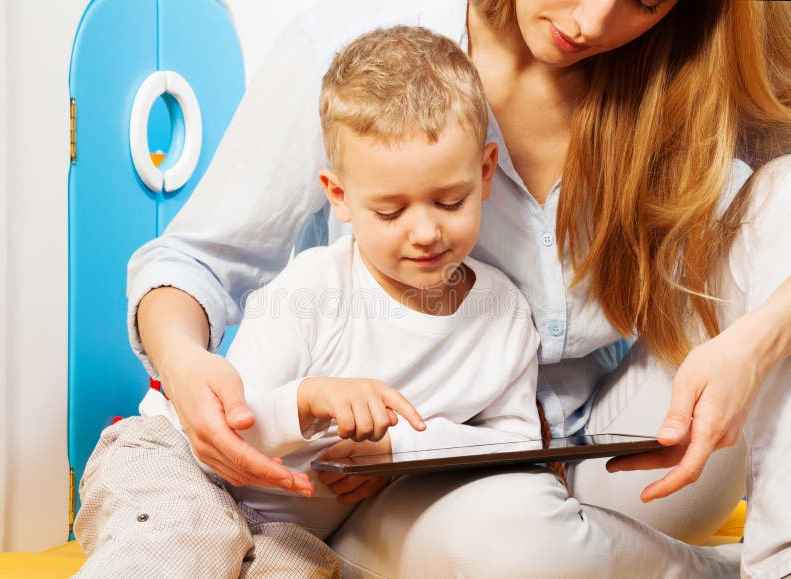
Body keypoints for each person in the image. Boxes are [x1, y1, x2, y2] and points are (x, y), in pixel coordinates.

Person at [126, 0, 791, 577]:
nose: (592, 22)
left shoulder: (693, 66)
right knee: (515, 544)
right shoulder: (356, 56)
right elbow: (195, 261)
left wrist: (756, 346)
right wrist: (186, 369)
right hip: (416, 484)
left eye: (646, 1)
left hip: (633, 455)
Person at [74, 26, 545, 576]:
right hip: (178, 464)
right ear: (340, 197)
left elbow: (518, 445)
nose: (425, 232)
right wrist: (308, 401)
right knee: (190, 540)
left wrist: (401, 451)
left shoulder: (504, 315)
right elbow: (225, 430)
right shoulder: (315, 288)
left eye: (450, 201)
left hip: (287, 531)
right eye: (390, 213)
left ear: (485, 173)